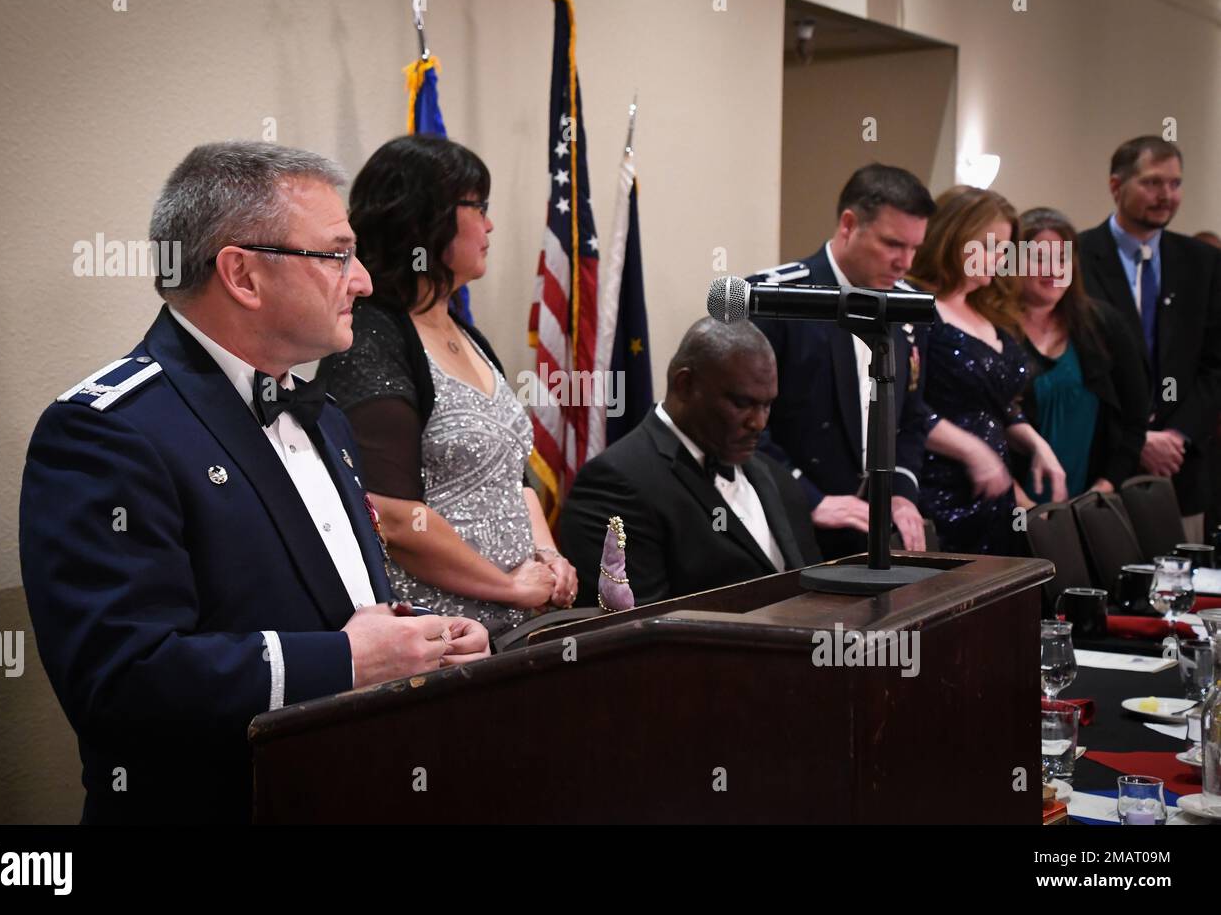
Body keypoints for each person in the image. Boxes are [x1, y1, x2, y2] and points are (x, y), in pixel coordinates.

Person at [20, 142, 490, 824]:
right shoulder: (107, 432)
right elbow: (120, 682)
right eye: (336, 254)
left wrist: (423, 641)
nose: (361, 280)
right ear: (242, 274)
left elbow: (338, 612)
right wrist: (344, 660)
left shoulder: (324, 416)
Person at [320, 136, 574, 634]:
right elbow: (390, 517)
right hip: (440, 637)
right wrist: (508, 586)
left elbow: (512, 476)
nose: (490, 223)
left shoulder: (466, 333)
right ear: (424, 218)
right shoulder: (373, 336)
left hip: (518, 623)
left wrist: (546, 555)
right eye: (478, 206)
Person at [559, 318, 821, 607]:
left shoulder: (778, 479)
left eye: (766, 405)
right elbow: (636, 633)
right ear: (684, 385)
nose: (758, 422)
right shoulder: (613, 484)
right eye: (742, 403)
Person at [754, 163, 937, 559]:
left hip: (871, 529)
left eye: (914, 248)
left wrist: (902, 493)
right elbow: (744, 430)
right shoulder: (776, 300)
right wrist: (810, 499)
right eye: (892, 244)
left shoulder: (907, 305)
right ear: (849, 224)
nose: (905, 262)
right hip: (789, 525)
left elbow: (913, 417)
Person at [907, 187, 1066, 555]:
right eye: (990, 245)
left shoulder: (988, 310)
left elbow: (998, 401)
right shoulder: (916, 307)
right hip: (941, 490)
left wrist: (1037, 444)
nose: (1000, 258)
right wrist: (973, 452)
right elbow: (906, 405)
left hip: (995, 489)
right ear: (953, 238)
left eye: (1005, 248)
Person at [1078, 137, 1221, 541]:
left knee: (1184, 594)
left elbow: (1214, 366)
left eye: (1175, 184)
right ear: (1115, 186)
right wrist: (1136, 438)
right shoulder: (1078, 254)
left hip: (1182, 466)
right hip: (1100, 467)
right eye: (1153, 183)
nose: (1167, 196)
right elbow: (1080, 363)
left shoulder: (1203, 262)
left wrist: (1177, 435)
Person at [1012, 207, 1148, 505]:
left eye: (1061, 258)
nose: (1053, 269)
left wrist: (1102, 490)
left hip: (1089, 507)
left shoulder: (1105, 324)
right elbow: (983, 428)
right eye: (1039, 258)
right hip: (1011, 510)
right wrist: (1025, 506)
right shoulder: (994, 330)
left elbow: (1135, 421)